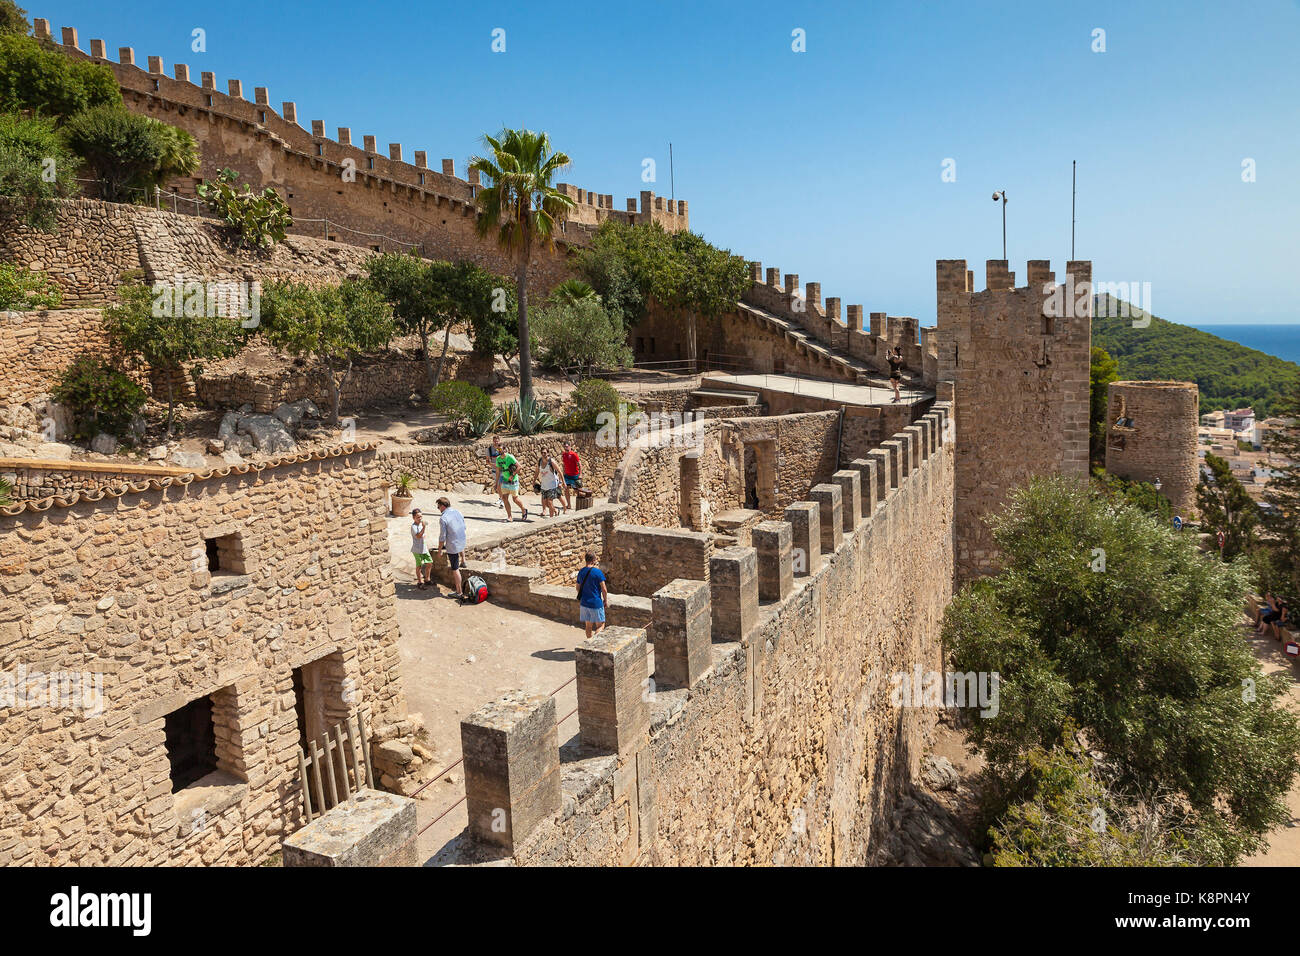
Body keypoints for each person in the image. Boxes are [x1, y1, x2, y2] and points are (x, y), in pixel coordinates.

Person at [436, 496, 467, 598]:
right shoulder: (458, 512)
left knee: (455, 568)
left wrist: (440, 550)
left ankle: (459, 592)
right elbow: (464, 526)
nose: (438, 509)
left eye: (438, 506)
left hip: (453, 545)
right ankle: (463, 560)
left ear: (442, 506)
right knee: (458, 542)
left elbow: (442, 537)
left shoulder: (443, 518)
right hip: (462, 540)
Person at [575, 551, 608, 638]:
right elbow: (604, 589)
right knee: (600, 625)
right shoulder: (597, 572)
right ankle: (594, 644)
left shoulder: (581, 572)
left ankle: (589, 646)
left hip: (584, 603)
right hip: (595, 603)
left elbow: (577, 587)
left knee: (588, 627)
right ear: (593, 560)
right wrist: (605, 600)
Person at [494, 444, 528, 521]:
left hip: (513, 481)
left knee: (515, 499)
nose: (499, 451)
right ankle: (510, 516)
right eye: (498, 450)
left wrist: (512, 475)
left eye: (500, 449)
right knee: (505, 498)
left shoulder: (510, 457)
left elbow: (519, 466)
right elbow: (498, 471)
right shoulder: (498, 459)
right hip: (505, 481)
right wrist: (496, 483)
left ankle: (523, 509)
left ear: (504, 449)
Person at [410, 508, 433, 589]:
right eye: (418, 517)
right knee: (419, 565)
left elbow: (421, 536)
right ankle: (419, 582)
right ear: (414, 518)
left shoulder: (420, 524)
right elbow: (418, 536)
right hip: (417, 549)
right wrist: (424, 528)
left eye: (421, 517)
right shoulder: (413, 527)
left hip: (424, 548)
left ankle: (427, 579)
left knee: (429, 562)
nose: (420, 519)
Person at [537, 452, 563, 517]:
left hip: (552, 485)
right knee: (546, 503)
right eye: (542, 453)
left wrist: (562, 482)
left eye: (545, 453)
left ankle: (551, 518)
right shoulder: (540, 462)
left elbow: (560, 471)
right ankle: (555, 510)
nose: (543, 454)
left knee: (550, 502)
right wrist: (534, 480)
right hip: (544, 485)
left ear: (548, 453)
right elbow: (536, 471)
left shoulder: (551, 462)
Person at [561, 441, 582, 511]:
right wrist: (563, 474)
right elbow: (564, 464)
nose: (566, 447)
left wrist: (580, 474)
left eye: (567, 446)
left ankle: (581, 504)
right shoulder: (563, 454)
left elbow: (580, 464)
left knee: (577, 491)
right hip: (567, 476)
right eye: (565, 446)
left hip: (575, 476)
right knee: (566, 490)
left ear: (570, 446)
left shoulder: (574, 454)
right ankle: (569, 505)